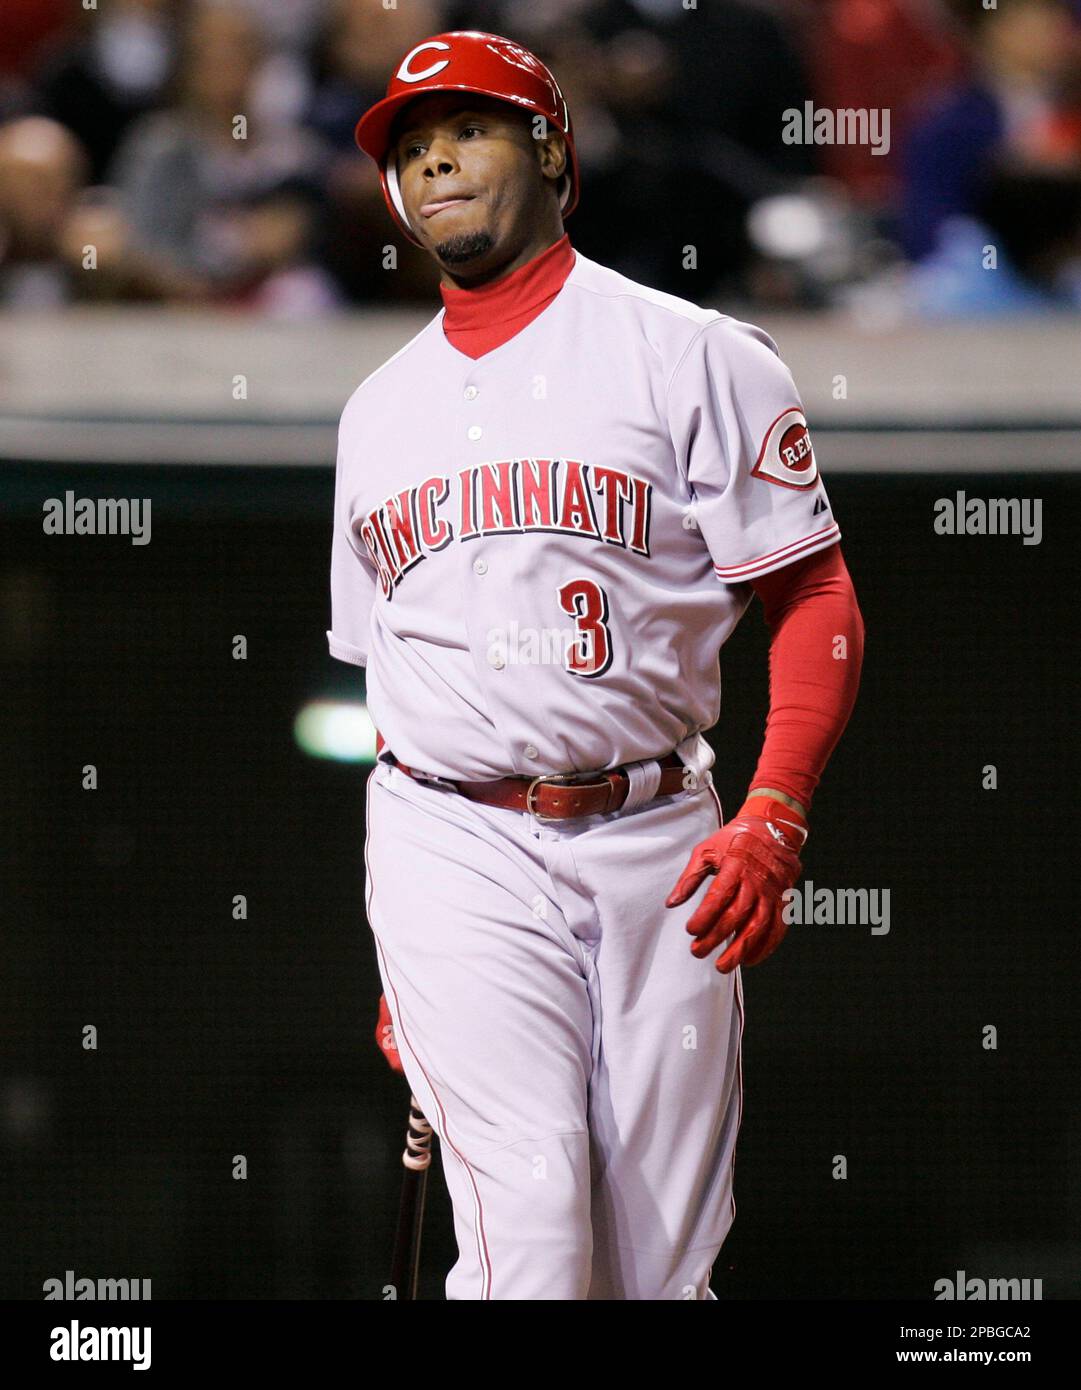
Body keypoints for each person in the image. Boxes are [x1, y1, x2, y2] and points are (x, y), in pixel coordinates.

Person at [327, 30, 865, 1300]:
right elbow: (393, 679)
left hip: (658, 833)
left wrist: (777, 811)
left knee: (659, 1266)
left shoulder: (693, 351)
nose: (433, 159)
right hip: (449, 836)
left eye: (467, 128)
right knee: (535, 1235)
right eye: (408, 145)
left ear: (553, 148)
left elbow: (813, 593)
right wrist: (417, 962)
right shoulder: (374, 412)